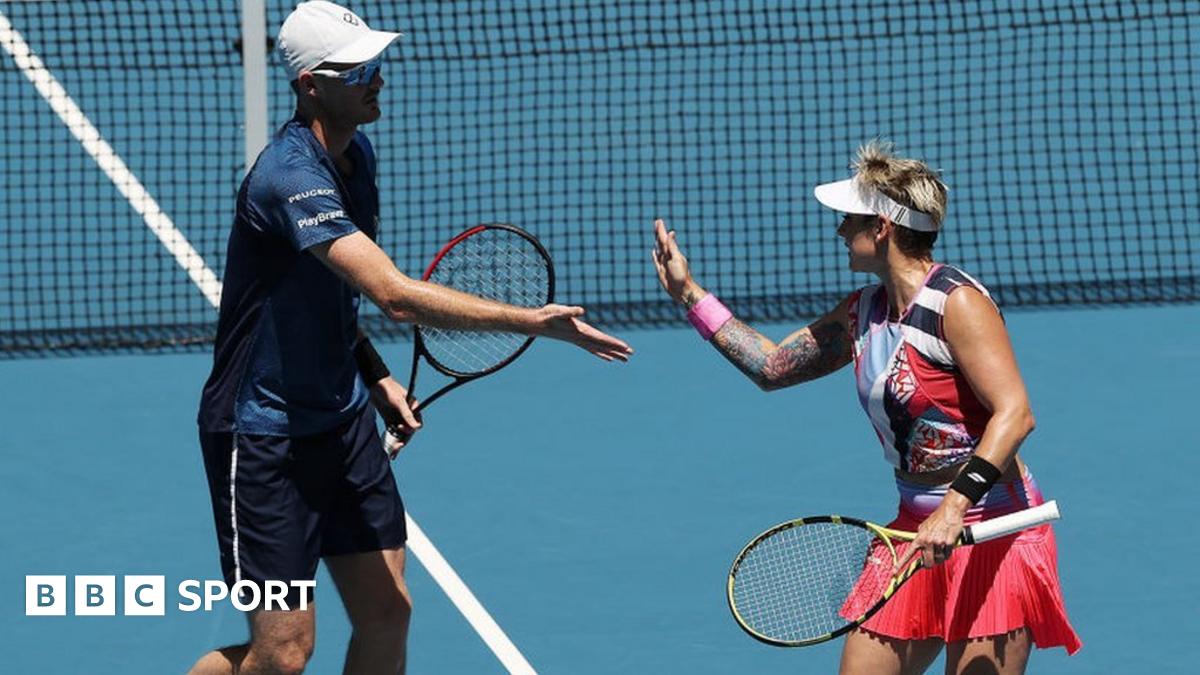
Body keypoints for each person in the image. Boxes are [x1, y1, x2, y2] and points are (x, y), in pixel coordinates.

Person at [190, 3, 632, 674]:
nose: (377, 78)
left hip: (340, 425)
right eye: (358, 69)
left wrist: (371, 375)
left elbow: (337, 289)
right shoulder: (289, 178)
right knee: (282, 654)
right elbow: (392, 293)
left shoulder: (354, 155)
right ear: (311, 83)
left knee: (388, 613)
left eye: (377, 63)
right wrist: (532, 320)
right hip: (262, 437)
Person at [651, 140, 1080, 674]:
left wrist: (952, 509)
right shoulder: (863, 313)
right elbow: (773, 368)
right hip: (913, 532)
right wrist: (690, 293)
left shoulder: (957, 304)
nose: (839, 232)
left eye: (849, 220)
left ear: (881, 227)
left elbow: (1015, 413)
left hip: (994, 531)